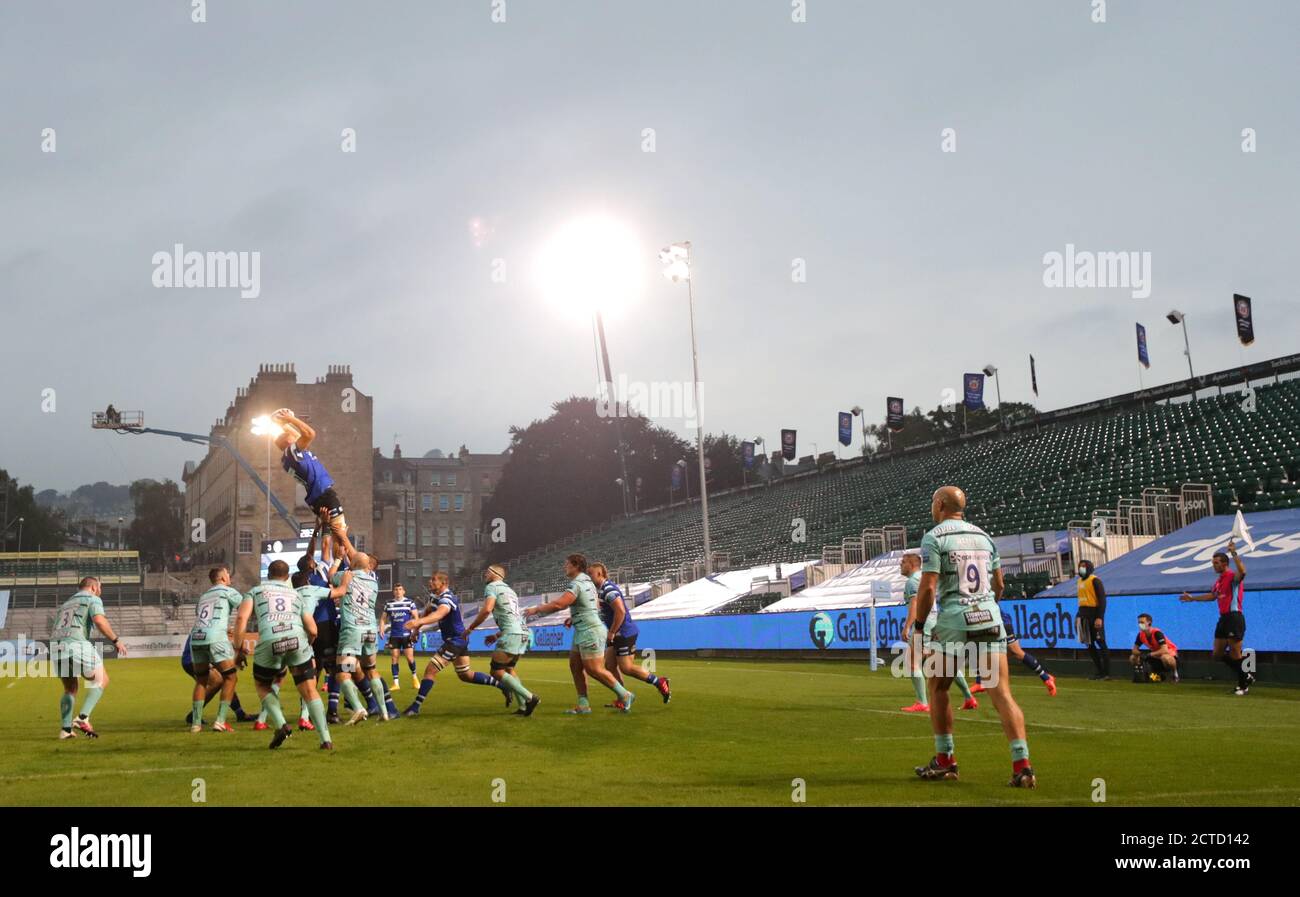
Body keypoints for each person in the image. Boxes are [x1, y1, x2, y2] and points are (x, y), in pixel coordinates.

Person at [912, 486, 1036, 788]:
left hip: (955, 619)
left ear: (940, 504)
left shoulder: (935, 537)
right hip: (989, 618)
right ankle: (1023, 766)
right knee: (1001, 693)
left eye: (932, 502)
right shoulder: (984, 537)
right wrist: (985, 604)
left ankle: (946, 761)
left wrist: (918, 627)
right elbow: (1000, 585)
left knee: (938, 685)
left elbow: (928, 588)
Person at [232, 560, 333, 750]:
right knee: (310, 691)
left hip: (270, 640)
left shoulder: (255, 591)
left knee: (263, 685)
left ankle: (281, 725)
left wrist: (238, 648)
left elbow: (241, 618)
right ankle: (325, 739)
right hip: (297, 639)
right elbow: (312, 629)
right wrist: (306, 645)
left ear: (268, 574)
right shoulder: (295, 594)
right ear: (287, 577)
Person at [523, 554, 635, 714]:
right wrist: (575, 618)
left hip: (590, 631)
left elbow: (559, 604)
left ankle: (625, 695)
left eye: (567, 564)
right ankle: (583, 704)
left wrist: (536, 609)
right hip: (583, 629)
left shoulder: (578, 583)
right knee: (575, 665)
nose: (564, 567)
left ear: (575, 566)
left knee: (594, 669)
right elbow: (593, 605)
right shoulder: (588, 582)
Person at [401, 571, 510, 716]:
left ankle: (415, 707)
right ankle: (502, 686)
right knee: (465, 675)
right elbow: (428, 610)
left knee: (430, 670)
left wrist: (417, 622)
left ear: (444, 583)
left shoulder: (448, 598)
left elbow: (439, 614)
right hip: (458, 640)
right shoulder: (435, 597)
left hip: (456, 640)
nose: (430, 582)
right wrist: (416, 630)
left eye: (434, 580)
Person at [50, 576, 127, 739]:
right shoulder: (92, 598)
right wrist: (116, 640)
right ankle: (82, 718)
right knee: (101, 679)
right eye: (100, 588)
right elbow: (99, 621)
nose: (100, 591)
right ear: (93, 587)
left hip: (56, 646)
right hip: (76, 643)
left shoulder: (66, 604)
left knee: (70, 688)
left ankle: (65, 730)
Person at [463, 565, 540, 716]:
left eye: (487, 572)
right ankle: (524, 707)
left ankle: (530, 697)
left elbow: (486, 610)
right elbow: (513, 618)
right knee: (509, 670)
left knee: (496, 671)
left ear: (495, 574)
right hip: (522, 632)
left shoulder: (492, 587)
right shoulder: (511, 591)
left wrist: (470, 628)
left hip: (512, 633)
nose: (485, 575)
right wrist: (496, 636)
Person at [592, 562, 670, 706]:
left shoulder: (608, 590)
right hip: (617, 634)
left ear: (599, 574)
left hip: (624, 633)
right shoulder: (601, 590)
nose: (589, 578)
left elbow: (620, 611)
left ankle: (659, 682)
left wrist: (612, 632)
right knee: (609, 666)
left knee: (626, 668)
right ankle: (623, 697)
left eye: (591, 574)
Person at [1180, 540, 1253, 695]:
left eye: (1216, 563)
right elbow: (1212, 596)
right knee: (1217, 654)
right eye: (1213, 563)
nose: (1214, 565)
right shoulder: (1219, 580)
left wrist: (1234, 552)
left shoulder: (1232, 576)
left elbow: (1243, 572)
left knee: (1235, 652)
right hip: (1223, 619)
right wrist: (1192, 599)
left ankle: (1243, 686)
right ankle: (1245, 675)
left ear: (1225, 563)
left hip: (1234, 617)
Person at [329, 543, 390, 724]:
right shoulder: (373, 581)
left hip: (352, 631)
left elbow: (331, 576)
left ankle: (358, 708)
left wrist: (339, 558)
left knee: (343, 672)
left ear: (352, 565)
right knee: (371, 670)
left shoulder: (347, 575)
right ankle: (384, 712)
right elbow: (358, 566)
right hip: (370, 630)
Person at [272, 408, 348, 548]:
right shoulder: (292, 452)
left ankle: (342, 562)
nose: (295, 436)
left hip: (318, 497)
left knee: (337, 537)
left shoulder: (290, 456)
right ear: (289, 441)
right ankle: (349, 565)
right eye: (291, 436)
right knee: (341, 537)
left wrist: (283, 425)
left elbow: (297, 435)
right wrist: (290, 418)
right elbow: (309, 433)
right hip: (323, 494)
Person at [187, 566, 243, 732]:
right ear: (223, 578)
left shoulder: (204, 596)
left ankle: (196, 724)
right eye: (227, 573)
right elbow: (245, 607)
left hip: (196, 638)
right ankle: (220, 721)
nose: (229, 576)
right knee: (230, 677)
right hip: (215, 637)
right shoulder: (227, 591)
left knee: (201, 680)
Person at [181, 633, 253, 724]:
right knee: (218, 681)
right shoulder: (214, 627)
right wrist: (237, 654)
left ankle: (240, 714)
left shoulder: (208, 624)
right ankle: (194, 716)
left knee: (226, 680)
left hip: (198, 656)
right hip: (194, 658)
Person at [380, 584, 421, 691]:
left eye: (400, 589)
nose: (398, 591)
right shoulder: (389, 603)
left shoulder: (409, 602)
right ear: (393, 592)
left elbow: (416, 617)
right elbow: (383, 618)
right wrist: (381, 628)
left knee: (409, 658)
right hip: (394, 635)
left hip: (407, 635)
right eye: (396, 589)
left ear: (404, 591)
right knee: (394, 658)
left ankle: (415, 678)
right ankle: (396, 683)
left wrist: (415, 631)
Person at [1076, 559, 1110, 680]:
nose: (1081, 568)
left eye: (1084, 566)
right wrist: (1078, 616)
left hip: (1094, 614)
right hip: (1083, 614)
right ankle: (1099, 671)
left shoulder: (1095, 580)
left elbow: (1102, 600)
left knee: (1101, 643)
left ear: (1089, 567)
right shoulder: (1079, 581)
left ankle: (1106, 673)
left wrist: (1099, 617)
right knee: (1089, 645)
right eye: (1080, 566)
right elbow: (1081, 600)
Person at [1130, 613, 1179, 683]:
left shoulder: (1157, 633)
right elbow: (1134, 649)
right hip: (1156, 656)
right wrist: (1140, 654)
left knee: (1165, 658)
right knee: (1132, 657)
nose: (1140, 625)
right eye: (1139, 622)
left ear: (1149, 623)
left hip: (1169, 655)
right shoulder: (1141, 635)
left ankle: (1174, 674)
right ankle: (1140, 675)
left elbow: (1164, 650)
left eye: (1142, 622)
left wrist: (1149, 654)